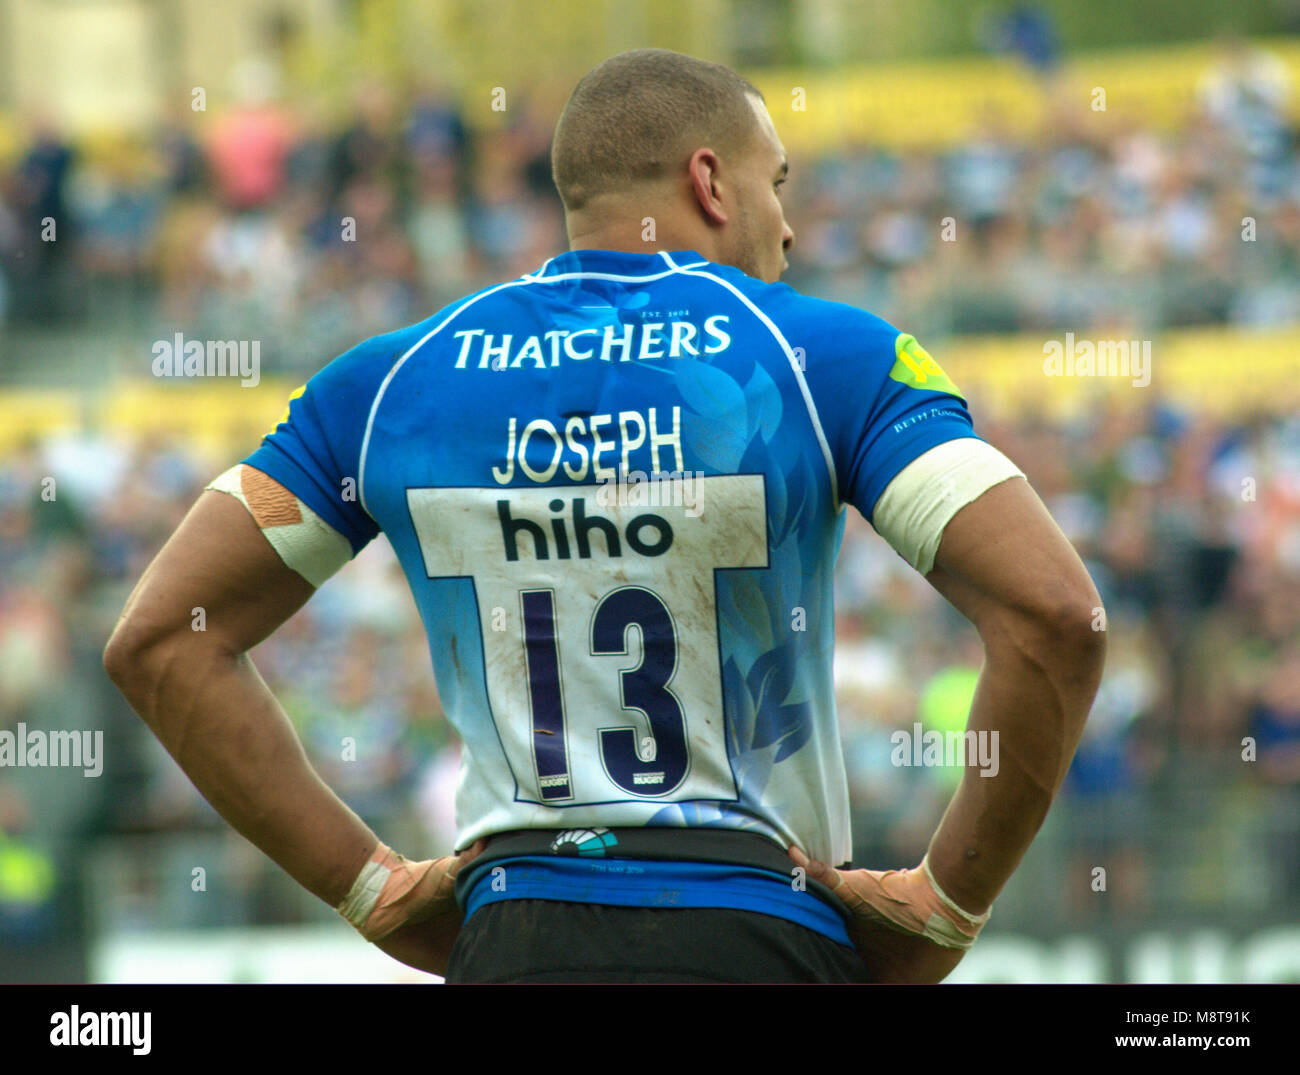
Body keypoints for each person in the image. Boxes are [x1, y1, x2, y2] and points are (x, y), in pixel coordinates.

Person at [104, 49, 1106, 984]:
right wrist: (947, 901)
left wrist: (368, 887)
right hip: (760, 929)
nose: (789, 227)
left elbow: (163, 642)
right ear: (711, 182)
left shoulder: (389, 381)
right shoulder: (823, 357)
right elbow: (1055, 613)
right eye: (779, 182)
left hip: (513, 931)